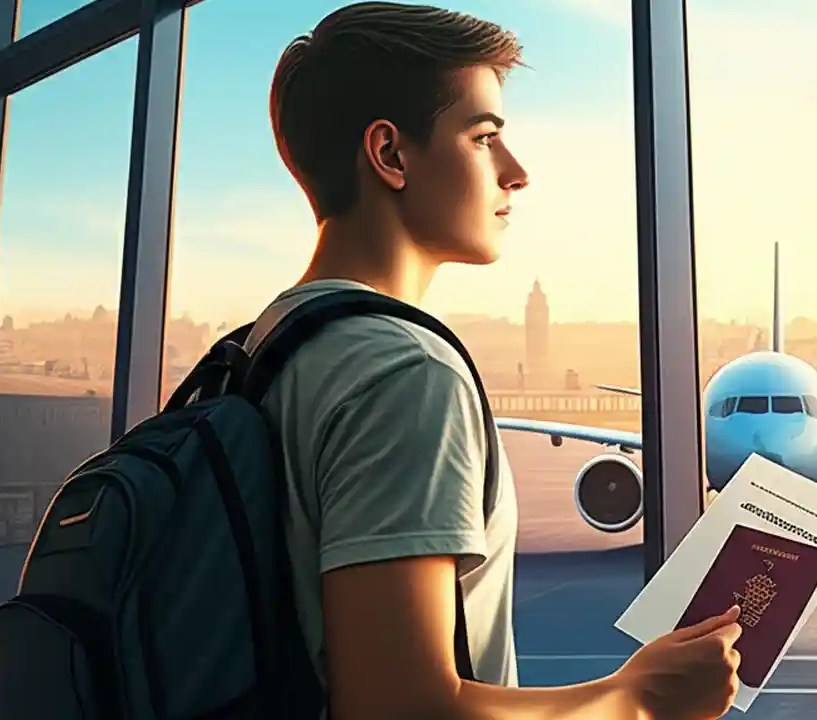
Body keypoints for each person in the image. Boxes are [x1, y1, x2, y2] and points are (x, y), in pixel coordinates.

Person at [256, 2, 743, 718]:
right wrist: (634, 700)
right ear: (390, 155)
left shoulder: (258, 351)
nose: (516, 173)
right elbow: (402, 708)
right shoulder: (404, 375)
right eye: (484, 137)